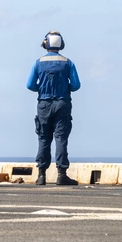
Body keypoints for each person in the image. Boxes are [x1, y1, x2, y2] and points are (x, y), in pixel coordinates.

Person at [27, 31, 81, 185]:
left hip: (44, 104)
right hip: (62, 103)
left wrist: (42, 88)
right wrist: (64, 87)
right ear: (61, 44)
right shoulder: (68, 62)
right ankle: (61, 174)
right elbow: (76, 85)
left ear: (46, 44)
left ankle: (41, 175)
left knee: (44, 138)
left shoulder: (38, 63)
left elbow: (30, 85)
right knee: (61, 138)